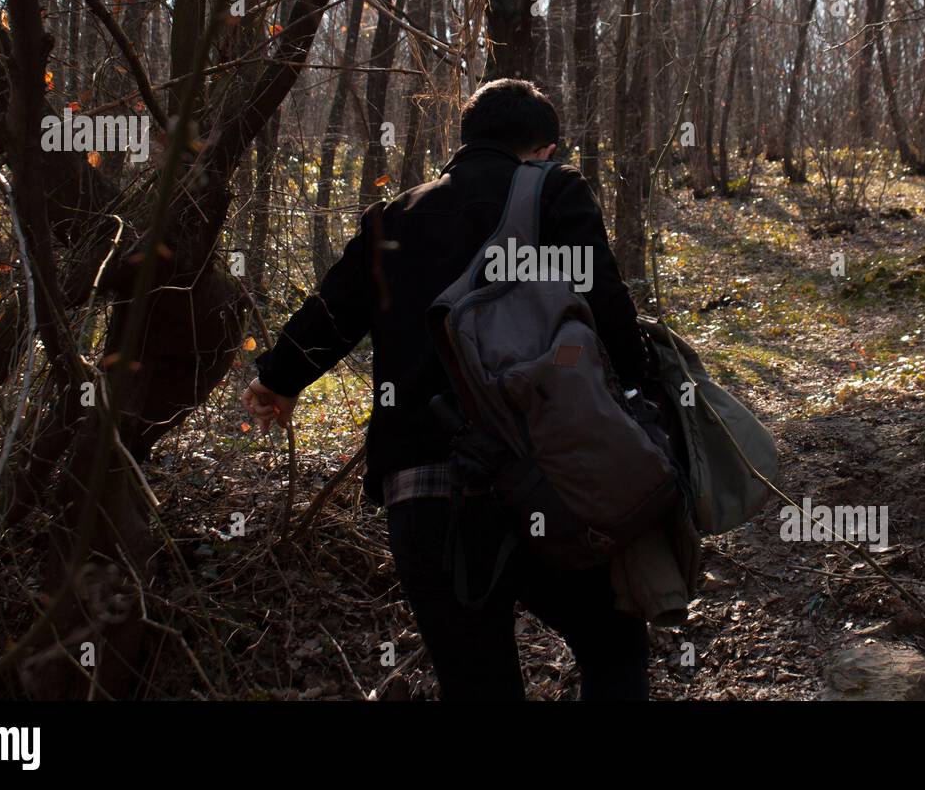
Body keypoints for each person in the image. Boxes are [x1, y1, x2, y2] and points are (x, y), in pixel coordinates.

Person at [242, 78, 651, 699]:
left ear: (464, 140)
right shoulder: (556, 192)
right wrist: (645, 399)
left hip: (422, 495)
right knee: (614, 646)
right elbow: (609, 310)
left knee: (476, 686)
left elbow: (333, 313)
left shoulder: (392, 217)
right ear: (542, 149)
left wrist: (277, 381)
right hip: (546, 481)